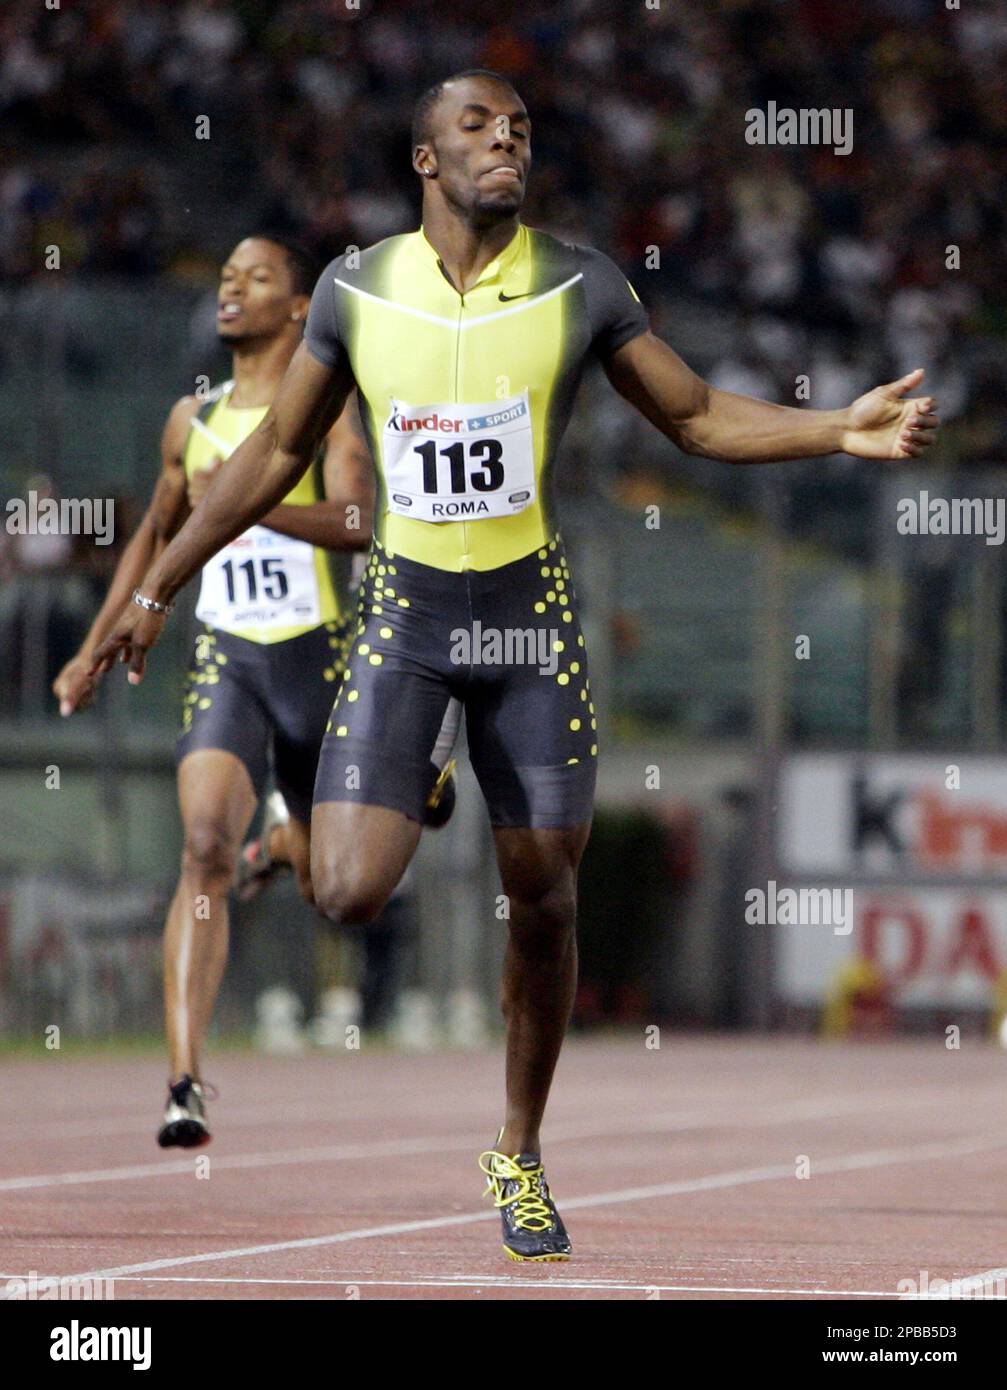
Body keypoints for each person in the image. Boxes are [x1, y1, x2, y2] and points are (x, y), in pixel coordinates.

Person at [91, 72, 939, 1259]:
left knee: (542, 892)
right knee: (343, 890)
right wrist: (152, 587)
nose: (506, 140)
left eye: (521, 128)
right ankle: (420, 760)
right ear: (425, 161)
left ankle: (520, 1152)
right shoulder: (354, 288)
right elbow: (273, 451)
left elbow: (692, 416)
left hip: (529, 628)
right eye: (477, 127)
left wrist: (830, 427)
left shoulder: (577, 281)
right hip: (405, 618)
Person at [57, 234, 379, 1148]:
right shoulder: (188, 421)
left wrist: (244, 501)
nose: (233, 288)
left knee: (337, 890)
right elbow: (152, 541)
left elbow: (359, 520)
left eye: (258, 279)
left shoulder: (326, 409)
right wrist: (91, 646)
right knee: (201, 846)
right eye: (225, 276)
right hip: (228, 660)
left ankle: (282, 844)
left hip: (316, 661)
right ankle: (185, 1082)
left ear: (296, 308)